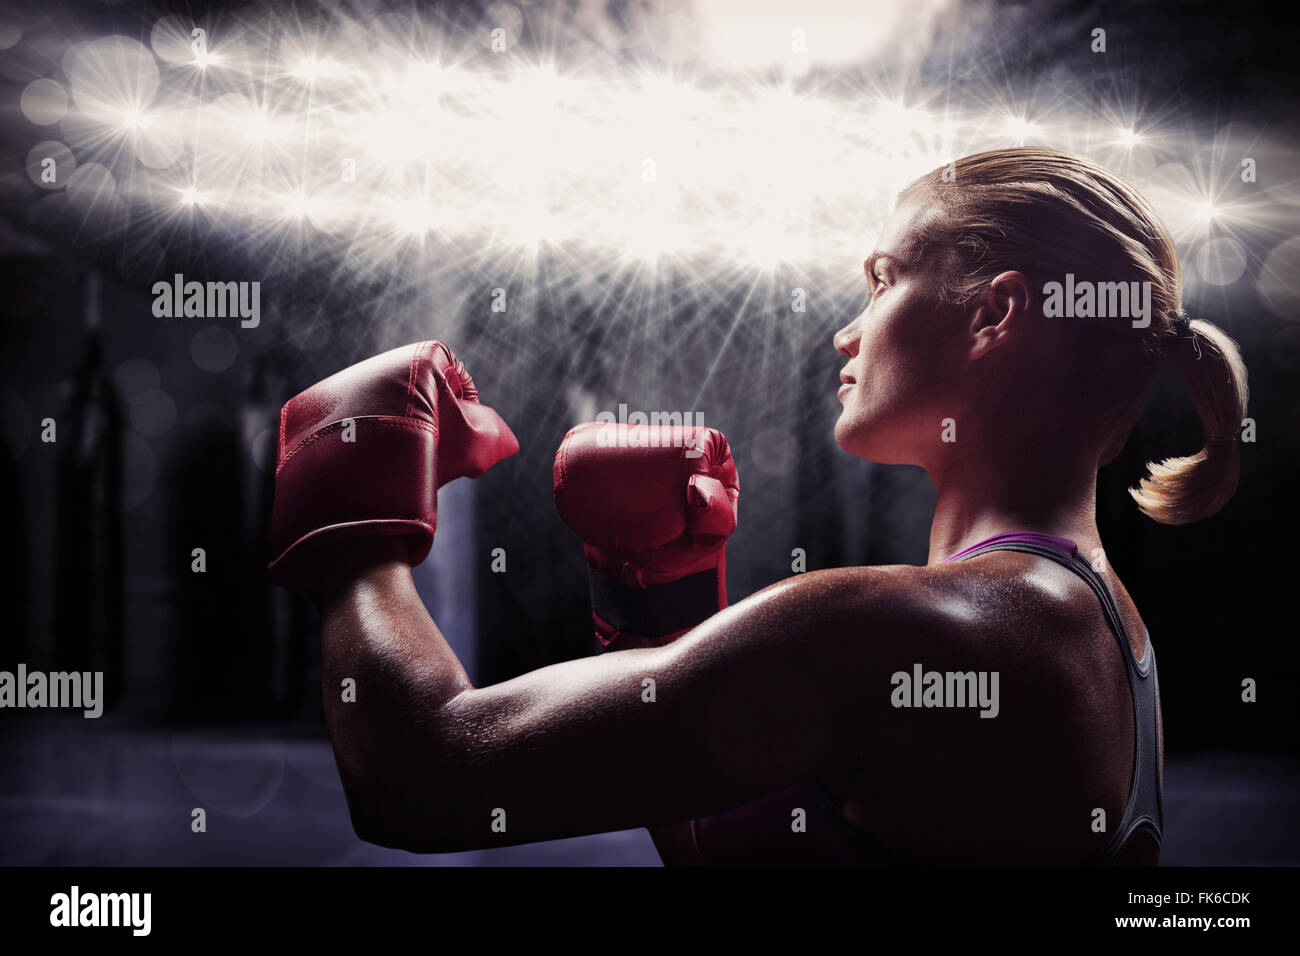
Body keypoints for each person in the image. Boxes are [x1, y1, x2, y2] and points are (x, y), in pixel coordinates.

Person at [266, 147, 1249, 865]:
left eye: (882, 279)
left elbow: (423, 777)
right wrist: (653, 600)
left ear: (994, 313)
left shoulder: (914, 626)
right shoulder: (1105, 626)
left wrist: (352, 524)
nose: (845, 331)